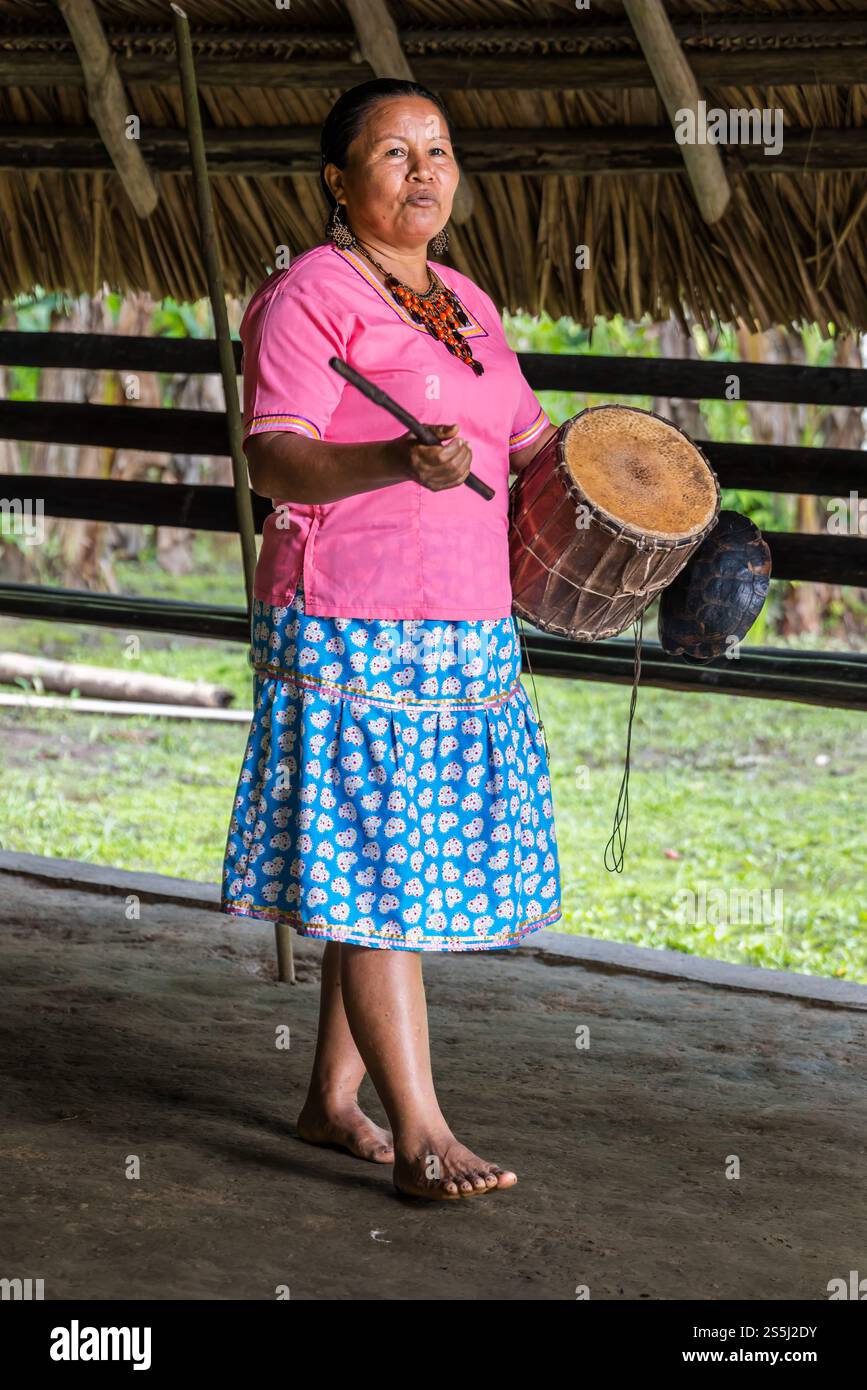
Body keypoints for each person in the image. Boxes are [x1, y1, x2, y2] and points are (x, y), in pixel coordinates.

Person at [221, 77, 563, 1200]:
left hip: (464, 624)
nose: (425, 172)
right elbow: (274, 456)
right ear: (337, 178)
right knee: (378, 868)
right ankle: (423, 1130)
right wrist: (389, 459)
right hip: (350, 619)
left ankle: (329, 1099)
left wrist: (653, 505)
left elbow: (530, 449)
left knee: (381, 863)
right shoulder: (306, 297)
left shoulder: (468, 301)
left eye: (440, 150)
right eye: (394, 153)